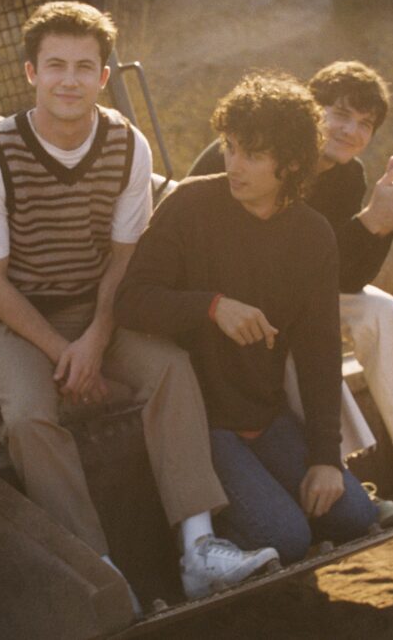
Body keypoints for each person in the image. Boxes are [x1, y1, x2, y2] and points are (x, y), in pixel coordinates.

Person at [0, 1, 279, 606]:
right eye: (55, 65)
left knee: (172, 370)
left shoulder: (128, 146)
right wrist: (64, 352)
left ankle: (199, 547)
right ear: (31, 73)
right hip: (24, 320)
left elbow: (125, 257)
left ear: (105, 77)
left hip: (103, 306)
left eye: (84, 66)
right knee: (26, 415)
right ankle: (95, 567)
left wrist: (97, 340)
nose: (69, 80)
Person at [191, 60, 393, 511]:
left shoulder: (347, 174)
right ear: (309, 106)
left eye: (365, 124)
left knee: (378, 308)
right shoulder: (251, 149)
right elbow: (207, 246)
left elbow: (342, 277)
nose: (350, 131)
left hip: (291, 295)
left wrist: (381, 225)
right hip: (224, 298)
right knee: (307, 336)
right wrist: (367, 225)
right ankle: (348, 483)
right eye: (339, 114)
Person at [115, 72, 378, 566]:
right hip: (204, 422)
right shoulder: (190, 204)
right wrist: (211, 306)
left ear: (294, 163)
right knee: (289, 536)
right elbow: (130, 301)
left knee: (352, 516)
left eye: (252, 156)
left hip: (265, 413)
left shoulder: (313, 235)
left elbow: (320, 352)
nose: (234, 166)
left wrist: (324, 457)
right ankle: (202, 534)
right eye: (230, 147)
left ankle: (272, 496)